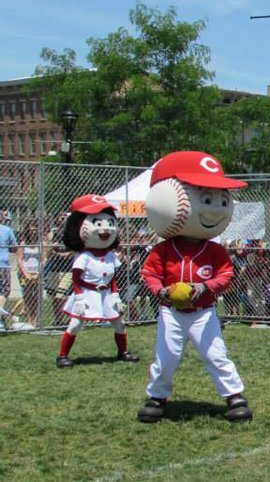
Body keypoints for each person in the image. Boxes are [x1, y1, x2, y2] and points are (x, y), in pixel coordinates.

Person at [137, 151, 252, 423]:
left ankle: (234, 396)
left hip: (203, 311)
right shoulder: (164, 249)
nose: (215, 209)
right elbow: (149, 274)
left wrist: (205, 287)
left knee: (216, 354)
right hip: (171, 311)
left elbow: (226, 274)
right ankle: (157, 396)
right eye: (206, 199)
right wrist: (161, 291)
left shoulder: (214, 250)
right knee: (166, 357)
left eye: (220, 200)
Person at [55, 195, 140, 368]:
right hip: (87, 293)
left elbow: (113, 277)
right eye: (98, 223)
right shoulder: (84, 256)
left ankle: (123, 352)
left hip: (106, 294)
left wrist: (115, 295)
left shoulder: (110, 255)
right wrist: (79, 298)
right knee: (75, 324)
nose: (105, 228)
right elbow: (76, 278)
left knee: (119, 323)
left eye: (109, 222)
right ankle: (62, 356)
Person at [0, 210, 25, 330]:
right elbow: (14, 247)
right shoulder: (7, 230)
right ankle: (0, 320)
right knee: (3, 291)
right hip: (3, 264)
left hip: (3, 264)